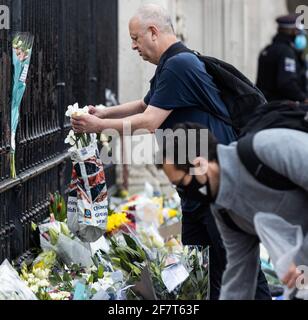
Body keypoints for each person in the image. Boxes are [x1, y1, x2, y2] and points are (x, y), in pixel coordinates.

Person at [71, 4, 269, 299]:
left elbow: (150, 120)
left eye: (136, 38)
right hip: (195, 190)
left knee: (238, 273)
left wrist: (98, 126)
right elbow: (144, 105)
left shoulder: (179, 64)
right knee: (205, 274)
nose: (133, 46)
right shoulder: (170, 64)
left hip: (218, 186)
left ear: (154, 32)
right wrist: (103, 112)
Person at [158, 122, 308, 299]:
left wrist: (301, 258)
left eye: (180, 184)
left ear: (199, 165)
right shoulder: (224, 210)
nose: (181, 192)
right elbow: (239, 275)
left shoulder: (267, 149)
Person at [256, 13, 308, 102]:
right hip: (280, 108)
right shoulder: (286, 52)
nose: (302, 37)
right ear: (293, 32)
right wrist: (304, 98)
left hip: (265, 106)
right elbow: (286, 83)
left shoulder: (268, 49)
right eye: (299, 33)